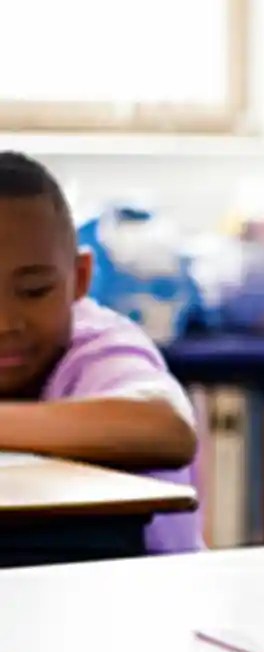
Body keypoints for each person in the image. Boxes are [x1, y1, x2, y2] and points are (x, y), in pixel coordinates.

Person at [0, 151, 200, 553]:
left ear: (80, 278)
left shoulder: (97, 347)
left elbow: (167, 428)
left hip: (139, 584)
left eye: (34, 291)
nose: (6, 323)